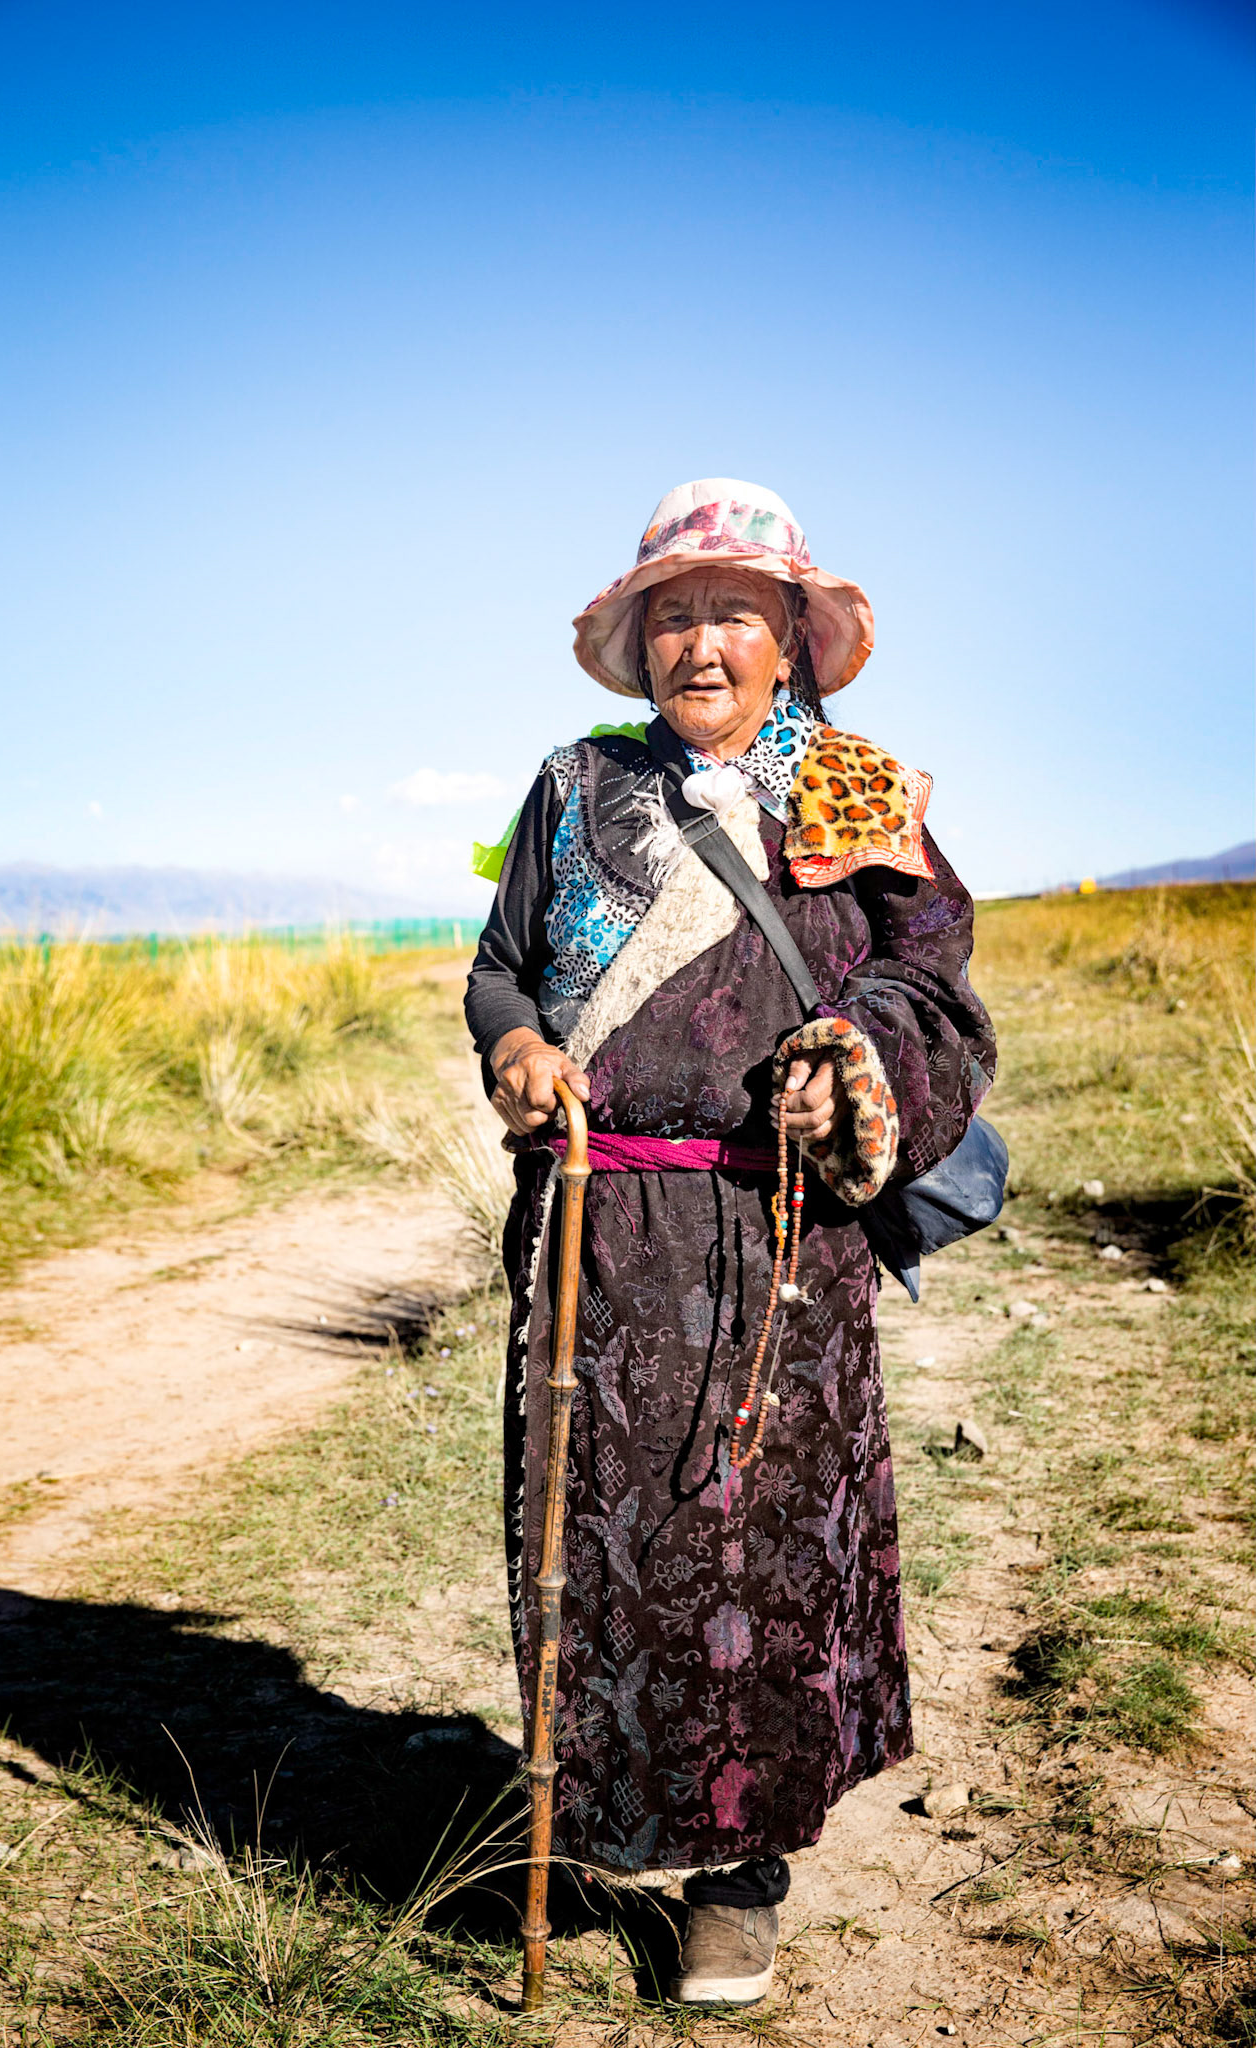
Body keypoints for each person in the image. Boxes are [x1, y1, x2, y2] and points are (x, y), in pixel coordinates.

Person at [465, 478, 995, 2007]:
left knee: (746, 1551)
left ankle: (735, 1875)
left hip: (773, 1241)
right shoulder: (569, 787)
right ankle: (586, 1818)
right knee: (597, 1541)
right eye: (674, 617)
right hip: (588, 1226)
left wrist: (862, 1050)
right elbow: (499, 968)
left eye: (733, 616)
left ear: (787, 644)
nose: (700, 644)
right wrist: (511, 1048)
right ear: (638, 644)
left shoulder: (852, 787)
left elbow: (934, 971)